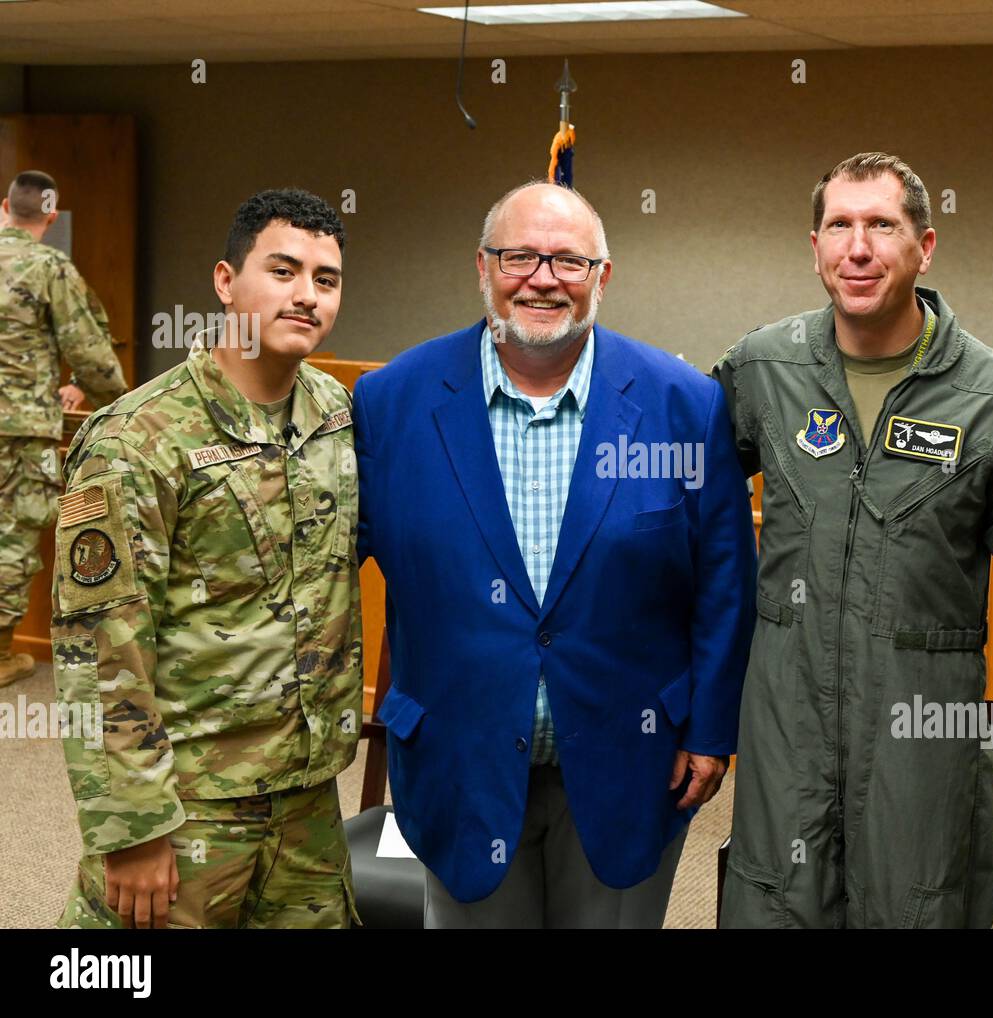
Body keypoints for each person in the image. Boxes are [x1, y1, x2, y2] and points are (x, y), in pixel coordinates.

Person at [354, 180, 756, 928]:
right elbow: (330, 567)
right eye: (519, 256)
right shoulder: (391, 402)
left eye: (568, 260)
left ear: (603, 277)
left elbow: (725, 581)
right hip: (458, 760)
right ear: (482, 267)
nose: (542, 278)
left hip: (632, 766)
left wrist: (709, 730)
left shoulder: (682, 404)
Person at [713, 152, 993, 928]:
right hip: (786, 722)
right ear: (816, 244)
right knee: (776, 897)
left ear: (924, 247)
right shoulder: (763, 369)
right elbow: (685, 523)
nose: (857, 248)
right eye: (840, 226)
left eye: (881, 226)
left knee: (917, 906)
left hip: (922, 732)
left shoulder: (992, 398)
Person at [54, 188, 362, 929]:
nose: (306, 295)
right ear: (226, 282)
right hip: (188, 808)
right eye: (283, 271)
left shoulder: (338, 416)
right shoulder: (138, 439)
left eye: (326, 279)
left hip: (308, 799)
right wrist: (132, 827)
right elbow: (98, 651)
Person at [0, 170, 126, 686]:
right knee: (12, 534)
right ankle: (2, 653)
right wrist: (119, 406)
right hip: (21, 427)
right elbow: (90, 349)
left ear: (4, 207)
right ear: (51, 216)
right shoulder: (48, 265)